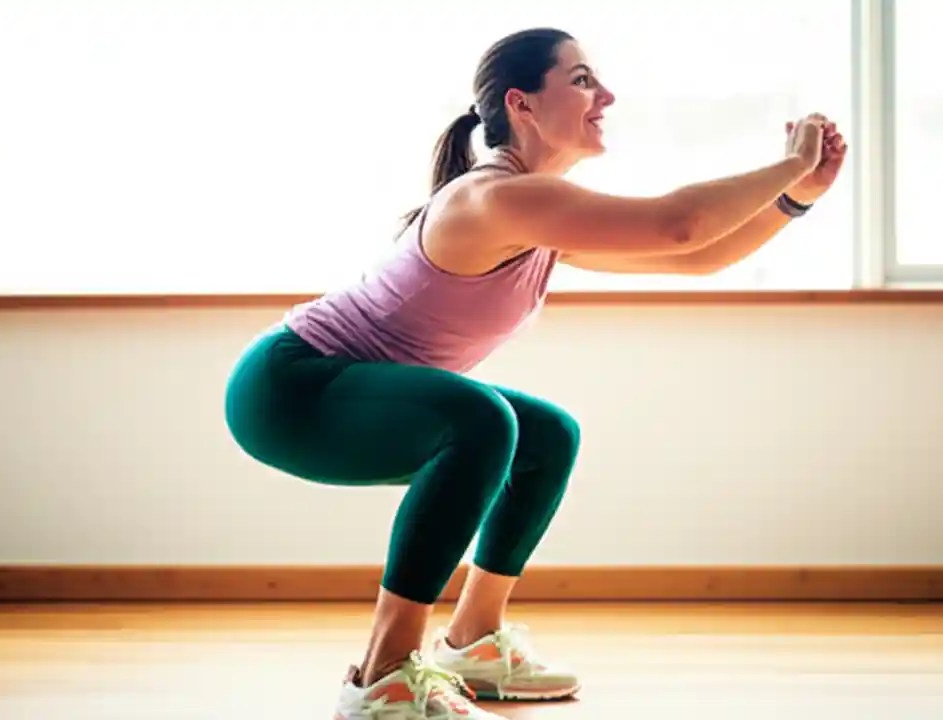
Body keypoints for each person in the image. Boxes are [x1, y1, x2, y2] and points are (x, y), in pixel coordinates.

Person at [224, 26, 847, 720]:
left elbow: (692, 256)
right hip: (292, 392)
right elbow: (681, 224)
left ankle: (475, 642)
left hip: (334, 392)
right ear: (520, 103)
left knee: (544, 434)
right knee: (482, 420)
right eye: (582, 80)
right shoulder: (494, 199)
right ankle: (383, 674)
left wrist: (800, 198)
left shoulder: (536, 212)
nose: (605, 95)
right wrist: (789, 164)